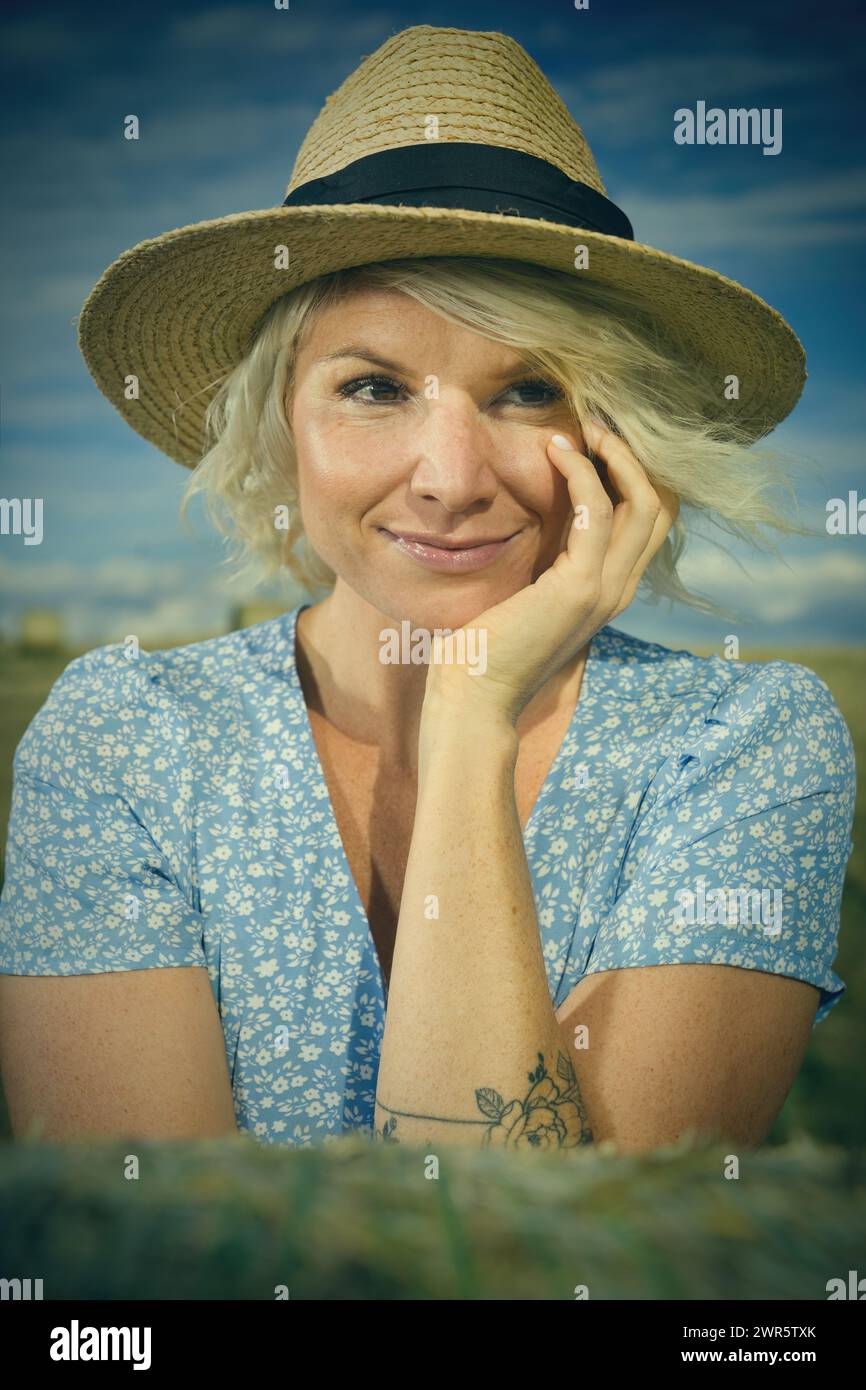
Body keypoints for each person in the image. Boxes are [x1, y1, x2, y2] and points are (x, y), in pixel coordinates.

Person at [0, 25, 855, 1152]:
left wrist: (467, 715)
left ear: (619, 444)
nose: (450, 479)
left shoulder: (744, 746)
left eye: (527, 388)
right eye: (371, 386)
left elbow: (551, 1254)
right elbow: (147, 1245)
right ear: (277, 432)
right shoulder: (124, 740)